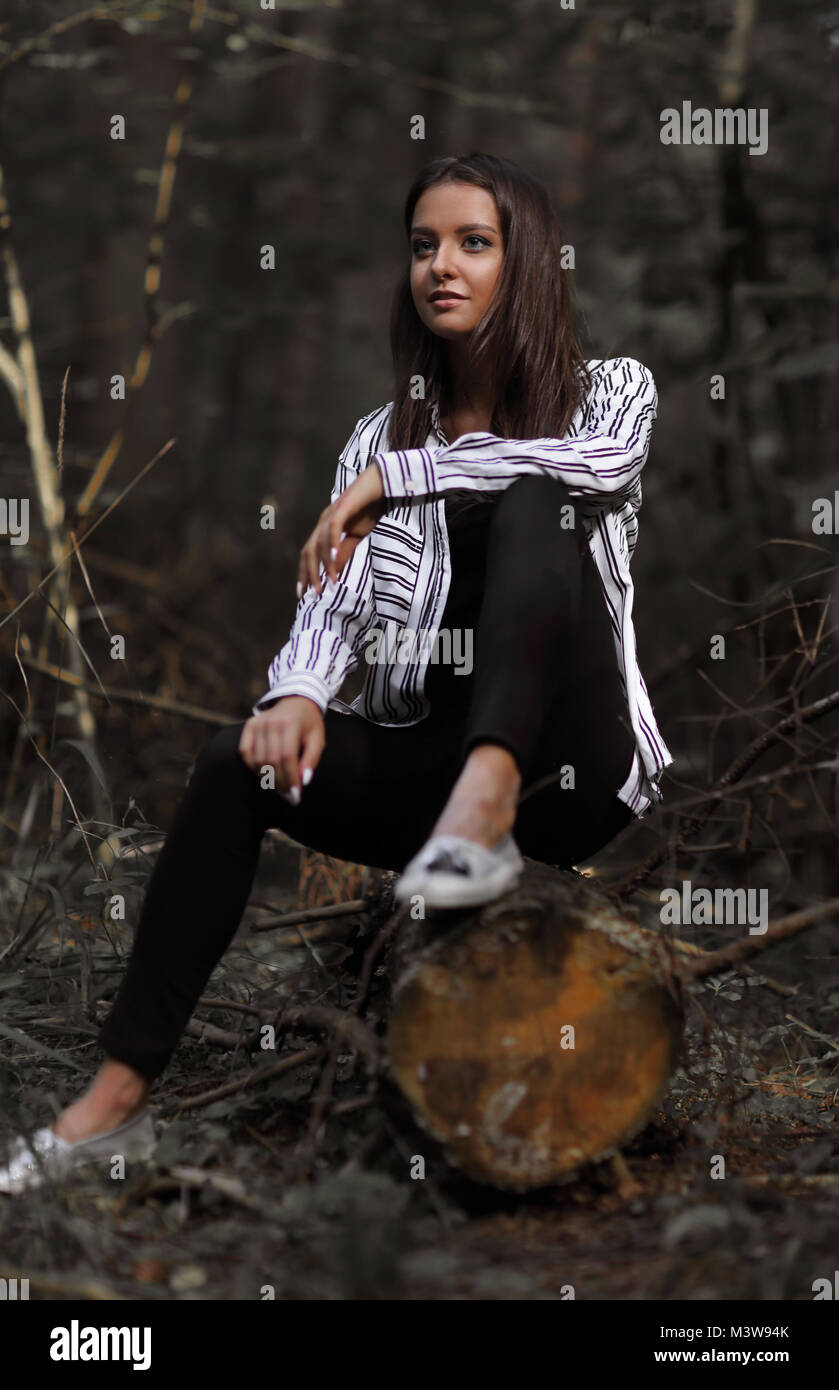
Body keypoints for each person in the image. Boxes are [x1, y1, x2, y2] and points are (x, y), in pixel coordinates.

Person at [0, 151, 674, 1194]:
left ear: (526, 260)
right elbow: (331, 600)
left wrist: (398, 479)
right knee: (232, 766)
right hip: (424, 768)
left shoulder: (605, 393)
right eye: (421, 245)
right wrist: (297, 692)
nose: (438, 266)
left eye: (472, 243)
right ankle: (113, 1104)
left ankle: (487, 800)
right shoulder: (375, 432)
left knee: (538, 498)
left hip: (567, 774)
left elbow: (587, 472)